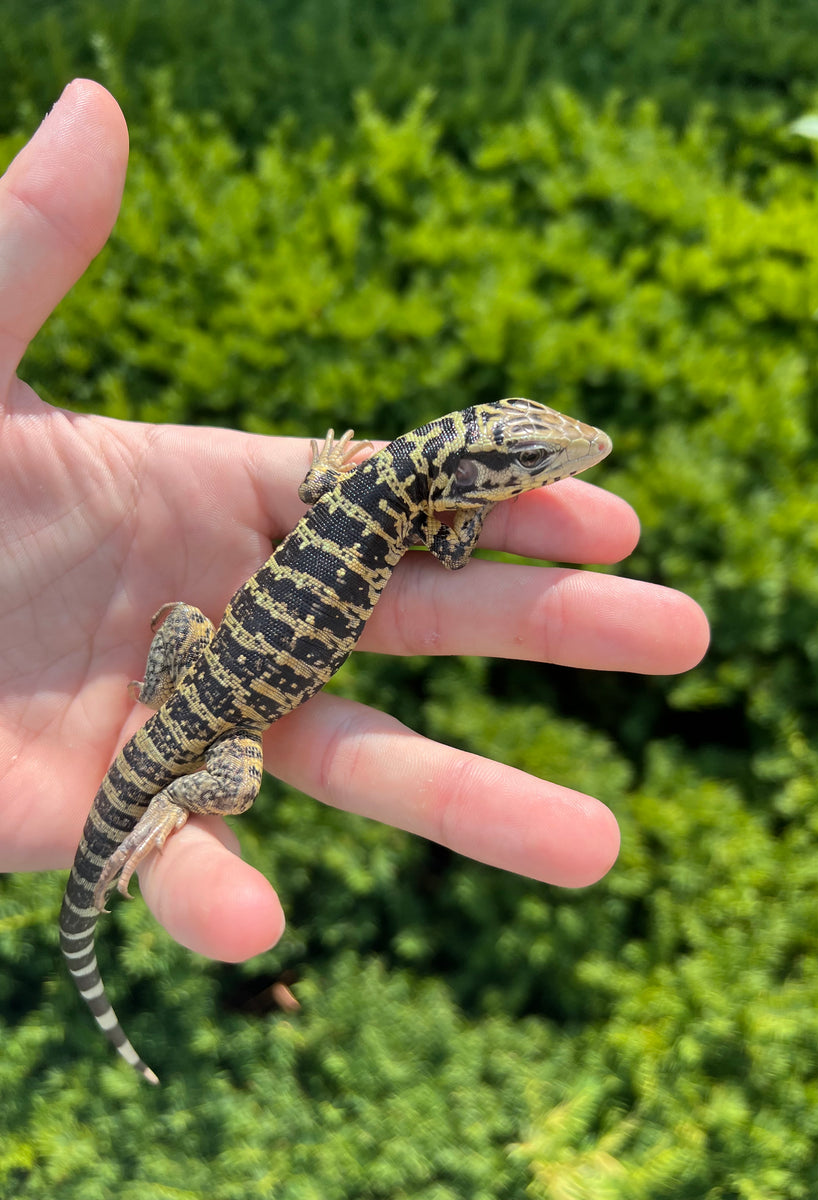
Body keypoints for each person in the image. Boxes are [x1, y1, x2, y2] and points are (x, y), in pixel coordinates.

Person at [0, 80, 709, 963]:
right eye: (535, 461)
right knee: (239, 778)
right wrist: (472, 512)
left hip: (200, 673)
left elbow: (314, 490)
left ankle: (151, 797)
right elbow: (450, 556)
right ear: (476, 464)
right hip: (226, 716)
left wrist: (353, 478)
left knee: (182, 622)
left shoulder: (366, 482)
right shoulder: (424, 510)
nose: (565, 456)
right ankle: (176, 800)